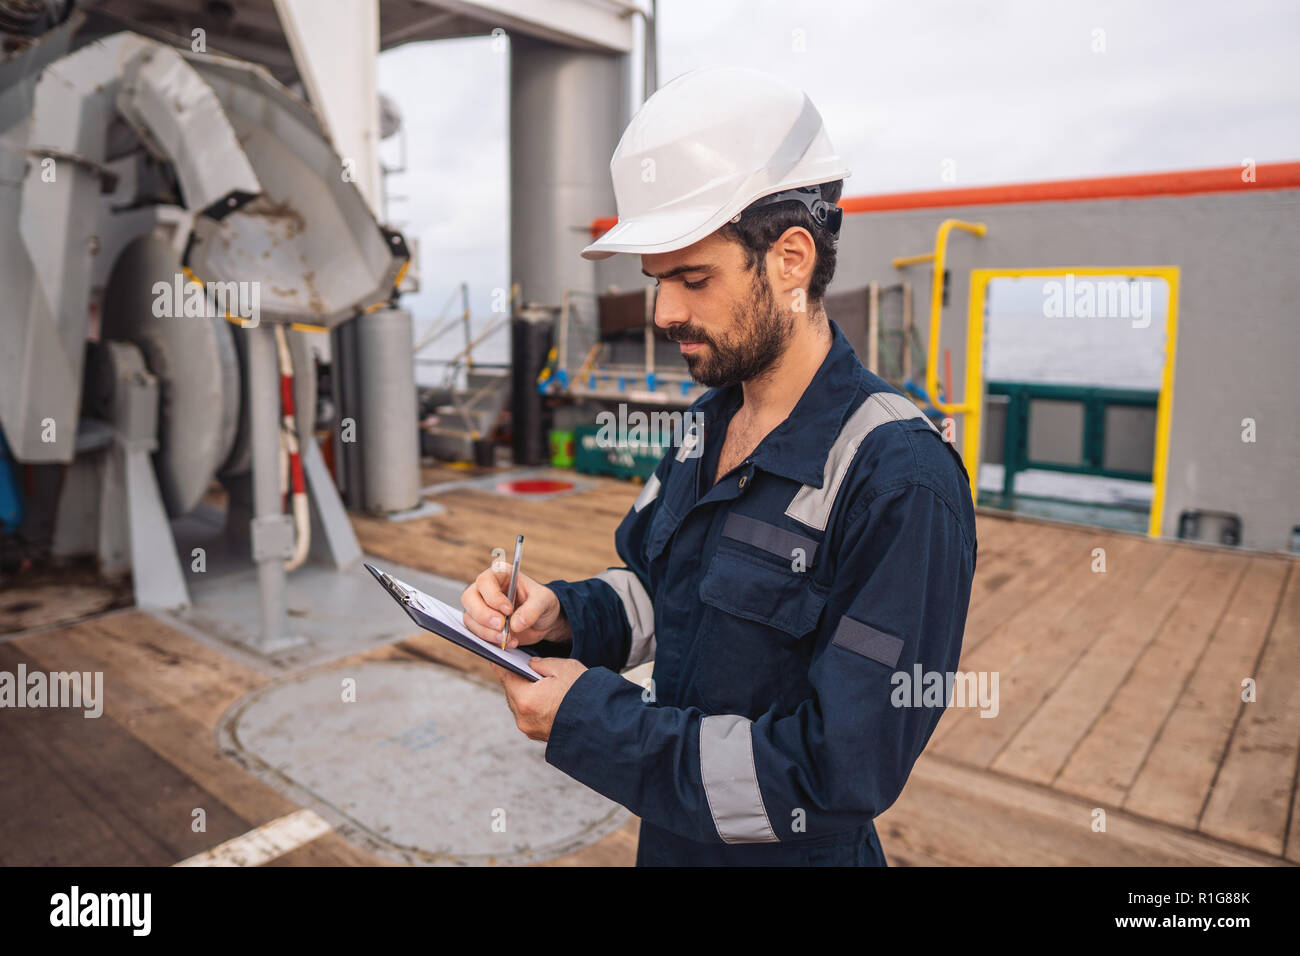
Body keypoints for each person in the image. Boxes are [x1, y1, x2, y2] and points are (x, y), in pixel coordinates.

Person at [460, 66, 977, 866]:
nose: (664, 313)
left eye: (693, 278)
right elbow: (661, 592)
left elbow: (839, 769)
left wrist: (592, 722)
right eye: (658, 282)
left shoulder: (902, 480)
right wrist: (558, 615)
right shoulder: (706, 424)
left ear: (791, 260)